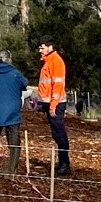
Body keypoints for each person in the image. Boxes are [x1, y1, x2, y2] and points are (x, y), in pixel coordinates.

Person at [37, 39, 70, 175]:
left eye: (42, 47)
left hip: (56, 104)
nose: (40, 50)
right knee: (56, 133)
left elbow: (57, 86)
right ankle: (62, 162)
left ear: (50, 47)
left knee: (59, 133)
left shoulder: (56, 62)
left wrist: (53, 105)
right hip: (50, 103)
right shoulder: (48, 61)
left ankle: (64, 164)